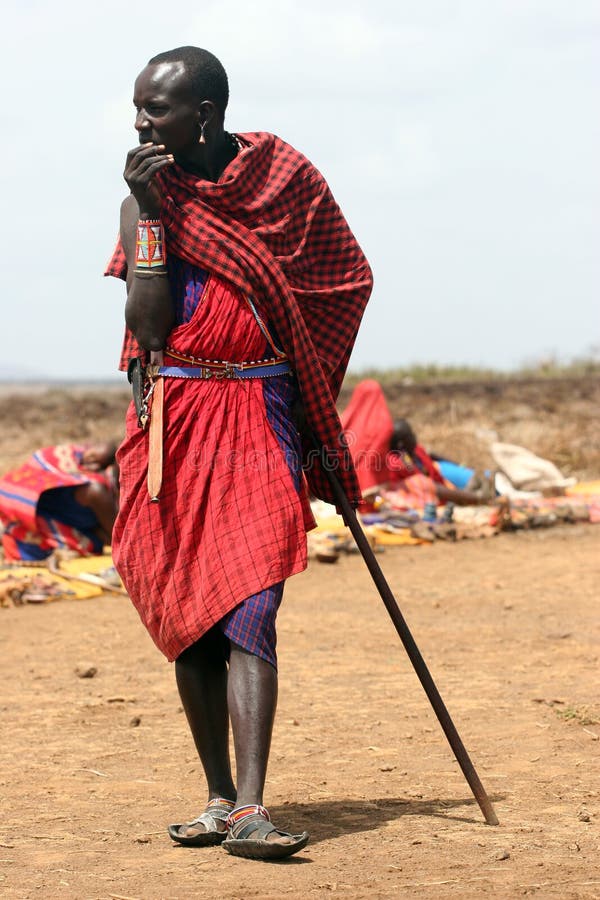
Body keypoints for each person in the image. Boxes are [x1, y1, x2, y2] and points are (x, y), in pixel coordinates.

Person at [105, 46, 372, 860]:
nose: (141, 124)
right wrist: (150, 213)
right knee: (191, 616)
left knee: (253, 603)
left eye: (156, 110)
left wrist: (314, 391)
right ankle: (218, 797)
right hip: (176, 418)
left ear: (204, 115)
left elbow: (342, 280)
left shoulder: (285, 183)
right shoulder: (148, 200)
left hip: (260, 411)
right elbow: (148, 330)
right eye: (139, 108)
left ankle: (252, 807)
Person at [341, 380, 494, 510]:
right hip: (369, 496)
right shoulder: (378, 435)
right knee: (420, 483)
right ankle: (476, 498)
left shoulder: (346, 426)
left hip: (360, 493)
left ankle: (471, 494)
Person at [0, 442, 118, 561]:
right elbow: (40, 461)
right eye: (92, 457)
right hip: (39, 503)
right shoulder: (67, 454)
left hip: (64, 516)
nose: (91, 463)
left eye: (97, 463)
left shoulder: (102, 484)